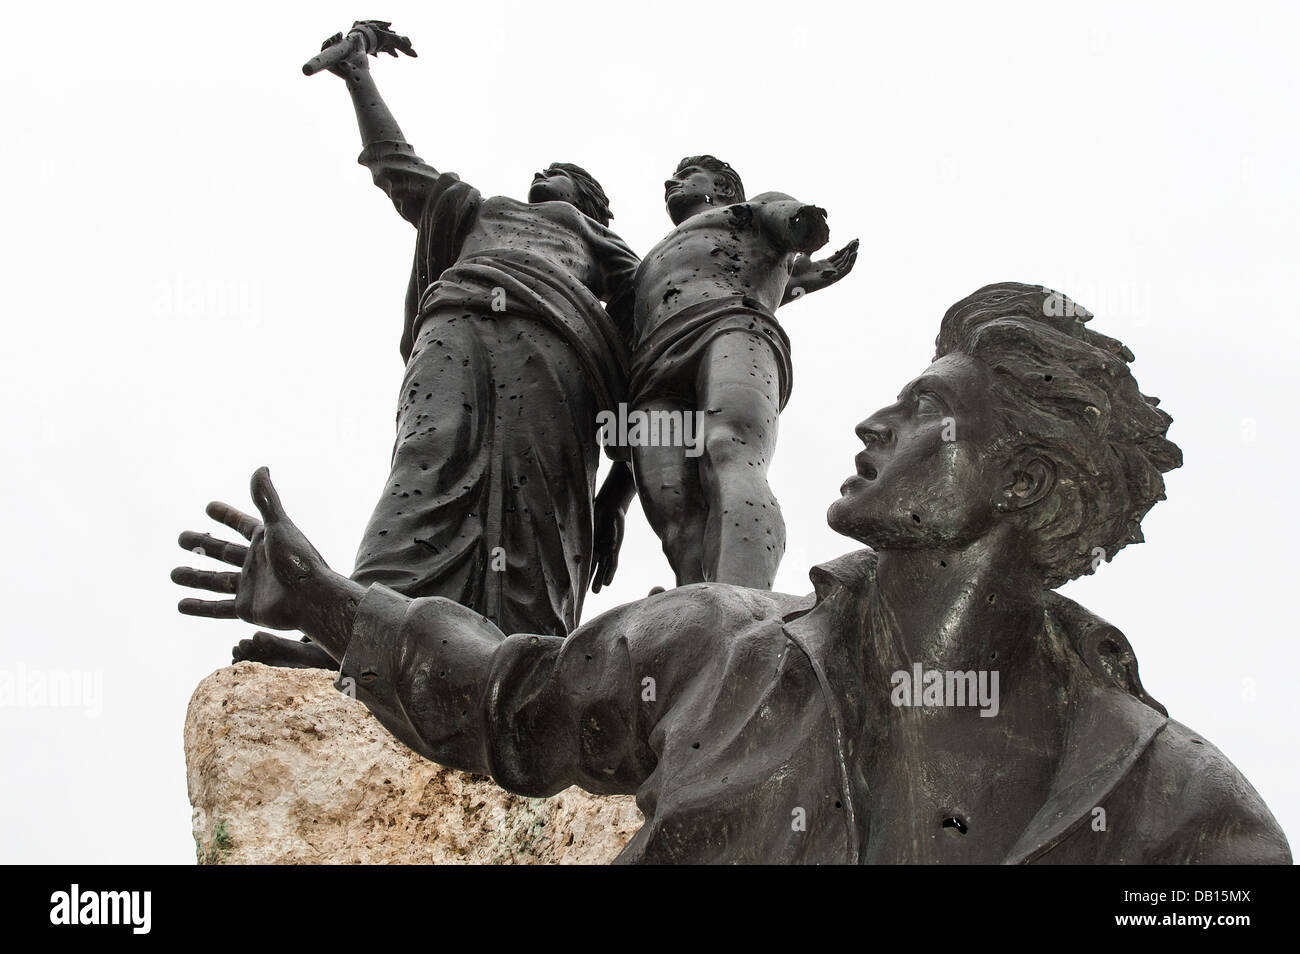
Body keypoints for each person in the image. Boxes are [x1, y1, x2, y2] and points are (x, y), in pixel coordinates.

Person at [174, 282, 1290, 864]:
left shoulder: (1174, 807)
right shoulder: (712, 650)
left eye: (925, 411)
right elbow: (509, 698)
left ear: (1029, 490)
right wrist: (326, 603)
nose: (867, 422)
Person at [235, 23, 639, 669]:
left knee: (539, 504)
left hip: (559, 355)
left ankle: (521, 665)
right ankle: (361, 632)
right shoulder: (477, 209)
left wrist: (616, 497)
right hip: (458, 326)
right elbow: (398, 168)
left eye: (560, 174)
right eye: (542, 169)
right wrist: (358, 75)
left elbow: (660, 323)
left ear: (590, 203)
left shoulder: (597, 242)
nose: (541, 175)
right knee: (428, 462)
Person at [598, 156, 857, 590]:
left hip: (731, 326)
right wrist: (614, 501)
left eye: (685, 177)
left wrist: (801, 224)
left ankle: (741, 600)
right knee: (671, 506)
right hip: (651, 375)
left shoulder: (746, 211)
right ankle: (692, 603)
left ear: (721, 186)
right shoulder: (644, 268)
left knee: (729, 450)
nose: (670, 182)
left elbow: (788, 220)